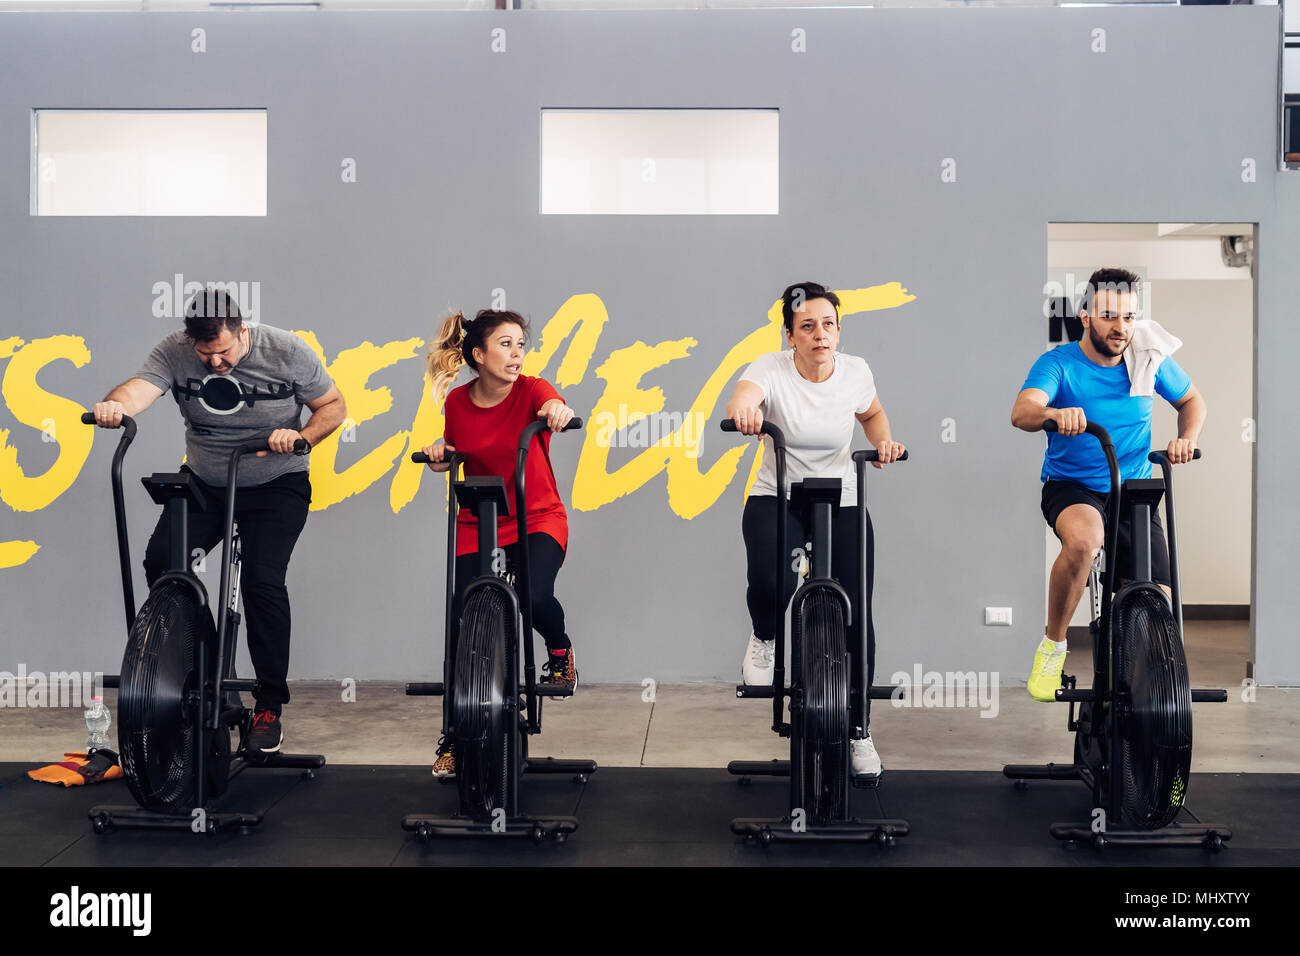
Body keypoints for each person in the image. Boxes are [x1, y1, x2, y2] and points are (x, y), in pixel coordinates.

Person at [90, 289, 346, 754]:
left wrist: (302, 436)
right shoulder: (176, 349)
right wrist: (116, 406)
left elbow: (333, 406)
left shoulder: (287, 351)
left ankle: (268, 706)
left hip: (276, 482)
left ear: (242, 331)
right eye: (206, 355)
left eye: (224, 353)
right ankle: (206, 669)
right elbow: (139, 389)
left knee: (262, 584)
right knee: (165, 564)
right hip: (207, 481)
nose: (215, 364)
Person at [724, 282, 905, 779]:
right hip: (777, 496)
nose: (819, 334)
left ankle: (859, 730)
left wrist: (884, 441)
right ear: (791, 336)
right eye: (807, 326)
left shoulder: (856, 371)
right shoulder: (769, 368)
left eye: (828, 325)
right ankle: (764, 639)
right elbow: (746, 395)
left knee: (856, 610)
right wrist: (745, 412)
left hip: (841, 497)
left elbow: (872, 414)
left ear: (838, 332)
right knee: (770, 583)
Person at [1012, 267, 1205, 701]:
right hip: (1073, 487)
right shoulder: (1059, 364)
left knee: (1159, 597)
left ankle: (1138, 680)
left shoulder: (1147, 359)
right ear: (1085, 316)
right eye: (1109, 316)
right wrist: (1054, 415)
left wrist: (1186, 439)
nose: (1121, 328)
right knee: (1084, 543)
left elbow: (1192, 400)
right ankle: (1053, 647)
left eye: (1129, 317)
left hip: (1132, 490)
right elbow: (1022, 411)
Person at [422, 308, 578, 778]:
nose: (516, 354)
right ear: (478, 354)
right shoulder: (456, 404)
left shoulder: (533, 390)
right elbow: (456, 454)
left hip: (537, 516)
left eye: (520, 346)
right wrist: (440, 456)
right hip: (480, 519)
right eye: (505, 345)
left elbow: (554, 404)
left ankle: (560, 651)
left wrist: (556, 411)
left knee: (533, 597)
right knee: (463, 620)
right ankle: (455, 736)